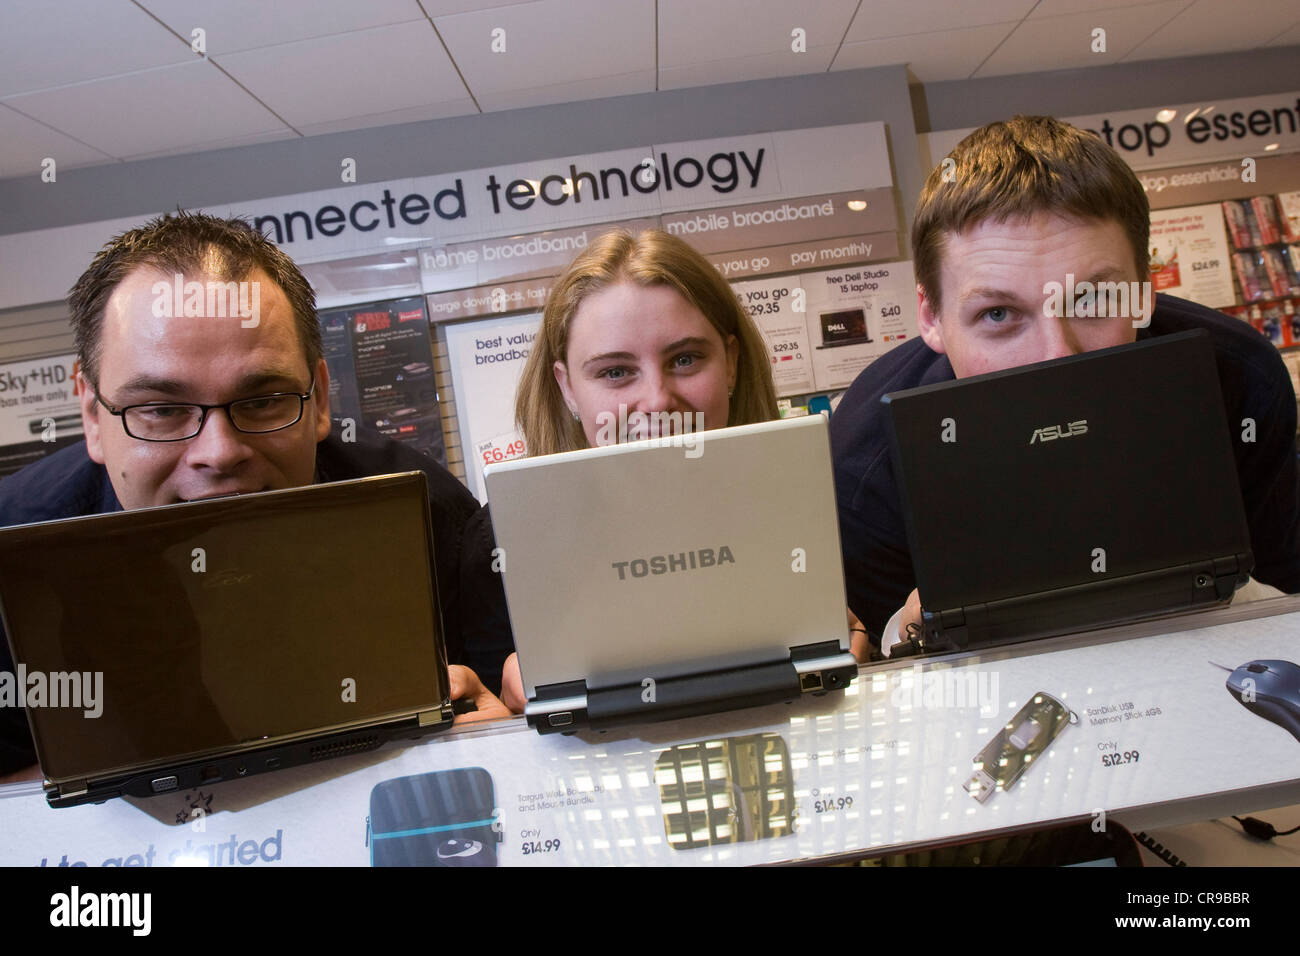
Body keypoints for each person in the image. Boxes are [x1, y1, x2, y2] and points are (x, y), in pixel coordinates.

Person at [0, 211, 509, 780]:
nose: (219, 453)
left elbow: (494, 706)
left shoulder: (422, 511)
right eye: (163, 410)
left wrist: (493, 740)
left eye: (263, 400)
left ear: (318, 401)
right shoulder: (11, 551)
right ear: (93, 415)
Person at [831, 115, 1300, 655]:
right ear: (931, 315)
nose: (1057, 354)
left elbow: (1280, 608)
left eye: (1094, 300)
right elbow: (895, 677)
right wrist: (912, 629)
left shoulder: (1241, 381)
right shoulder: (866, 457)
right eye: (999, 312)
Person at [488, 228, 785, 709]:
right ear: (567, 388)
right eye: (615, 372)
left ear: (730, 363)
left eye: (685, 359)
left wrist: (855, 638)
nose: (657, 399)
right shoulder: (501, 540)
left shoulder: (799, 497)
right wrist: (504, 708)